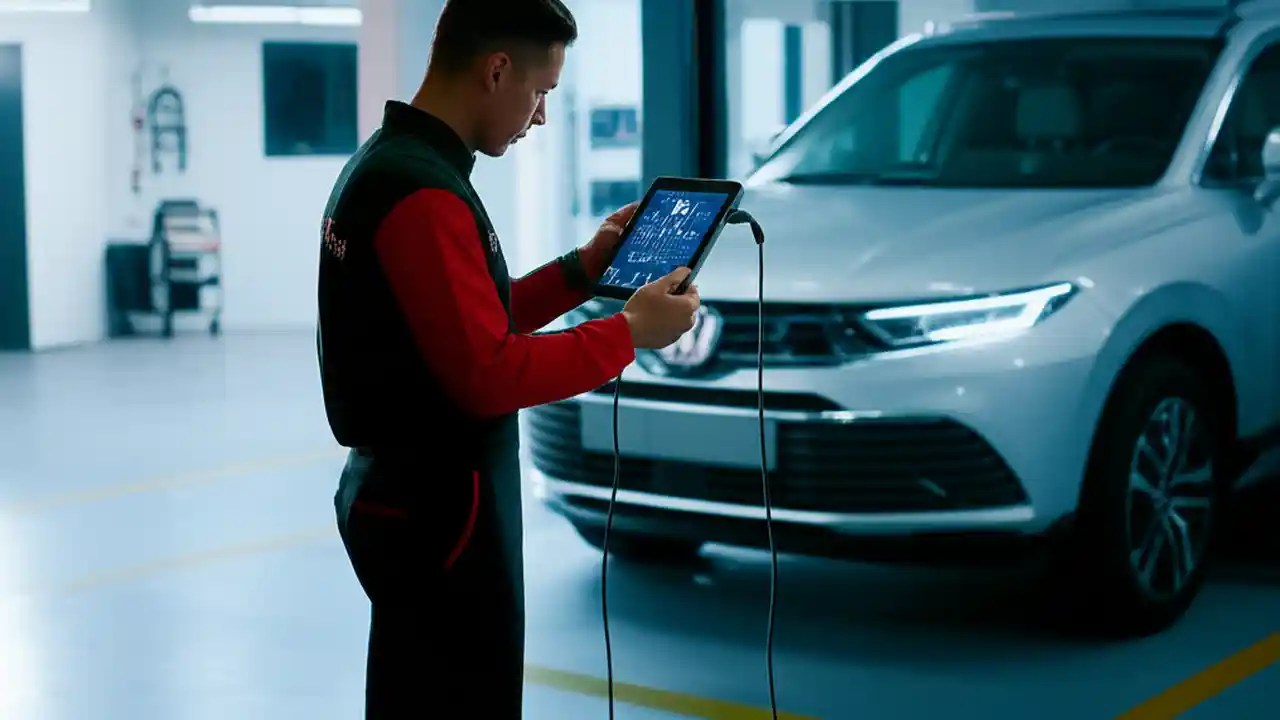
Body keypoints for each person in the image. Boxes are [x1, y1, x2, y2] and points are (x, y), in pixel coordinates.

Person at [316, 0, 701, 716]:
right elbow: (485, 372)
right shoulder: (423, 193)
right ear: (497, 71)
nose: (541, 116)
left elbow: (463, 323)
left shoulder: (389, 163)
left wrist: (583, 269)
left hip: (406, 500)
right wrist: (627, 334)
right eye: (541, 91)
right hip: (443, 513)